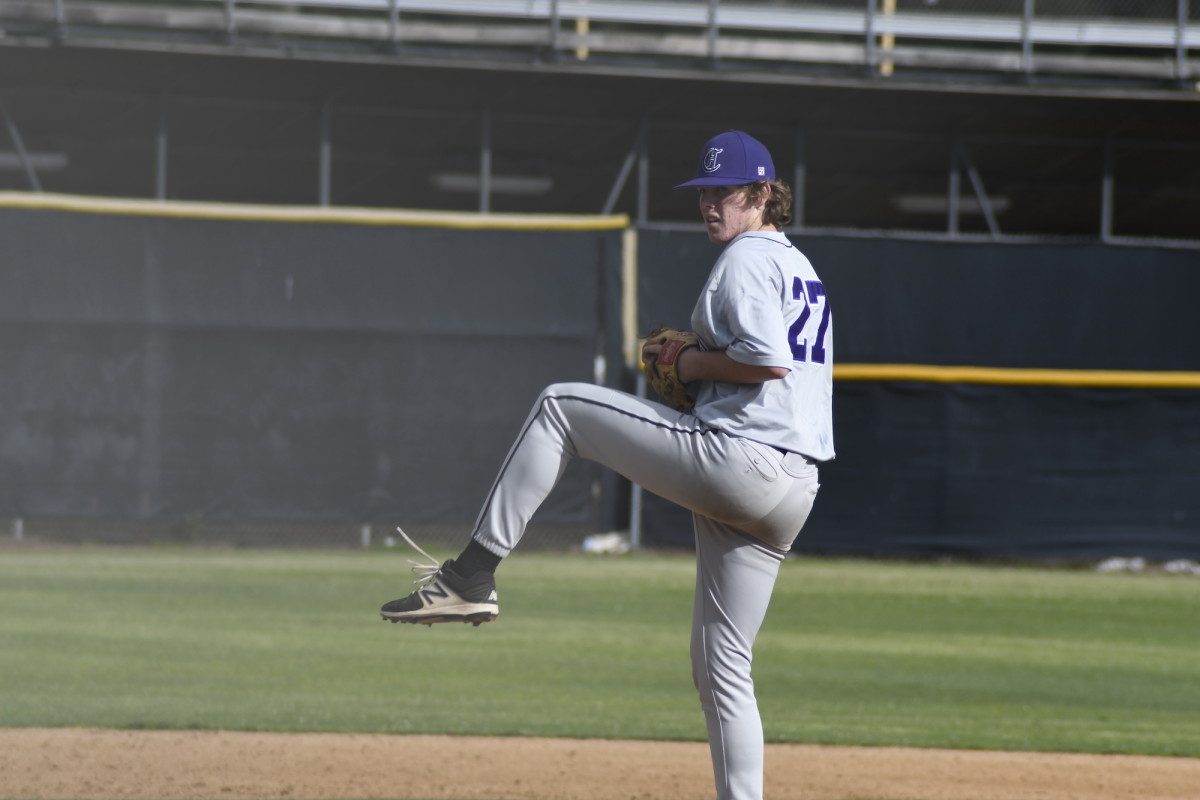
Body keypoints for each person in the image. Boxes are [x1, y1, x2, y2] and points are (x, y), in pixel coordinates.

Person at [381, 129, 834, 800]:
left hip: (740, 461)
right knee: (722, 665)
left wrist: (688, 364)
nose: (711, 204)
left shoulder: (745, 257)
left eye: (727, 191)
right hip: (794, 489)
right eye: (704, 192)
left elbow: (768, 361)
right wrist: (704, 371)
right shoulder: (801, 268)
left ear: (764, 193)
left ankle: (470, 575)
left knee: (560, 406)